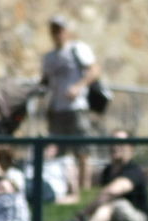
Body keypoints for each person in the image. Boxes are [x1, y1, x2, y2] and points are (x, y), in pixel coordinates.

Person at [53, 130, 148, 221]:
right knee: (104, 208)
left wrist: (83, 213)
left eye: (119, 143)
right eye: (111, 142)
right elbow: (103, 201)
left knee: (116, 204)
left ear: (130, 147)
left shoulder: (134, 170)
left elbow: (112, 192)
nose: (114, 146)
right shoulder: (107, 171)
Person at [41, 15, 99, 191]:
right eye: (54, 30)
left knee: (82, 150)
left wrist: (78, 87)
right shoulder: (49, 58)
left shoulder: (78, 49)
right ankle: (65, 187)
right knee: (58, 151)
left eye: (60, 30)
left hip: (77, 107)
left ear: (66, 31)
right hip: (57, 108)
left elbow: (94, 70)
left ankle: (85, 187)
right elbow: (45, 82)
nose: (57, 34)